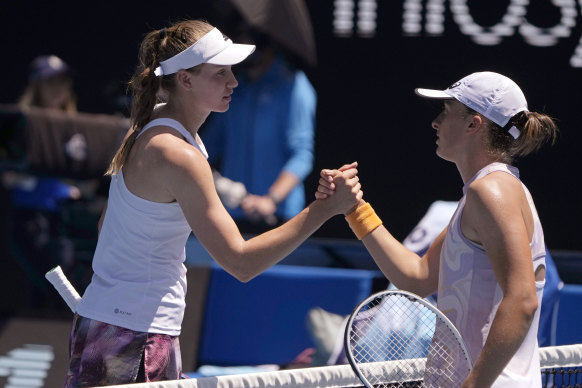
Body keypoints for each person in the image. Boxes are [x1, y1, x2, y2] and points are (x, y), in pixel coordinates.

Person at [65, 19, 361, 387]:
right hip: (136, 336)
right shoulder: (180, 154)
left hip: (105, 325)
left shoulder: (147, 127)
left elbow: (104, 225)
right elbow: (241, 262)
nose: (234, 82)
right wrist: (325, 209)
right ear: (186, 80)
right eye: (220, 73)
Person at [317, 71, 558, 387]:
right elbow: (415, 278)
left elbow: (522, 300)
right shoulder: (485, 193)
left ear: (474, 124)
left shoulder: (491, 192)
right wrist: (355, 209)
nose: (436, 123)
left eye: (446, 113)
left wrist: (472, 385)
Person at [201, 27, 316, 229]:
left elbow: (302, 155)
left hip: (277, 216)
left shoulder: (294, 85)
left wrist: (271, 199)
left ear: (267, 47)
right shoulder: (235, 87)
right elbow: (205, 148)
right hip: (232, 214)